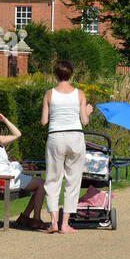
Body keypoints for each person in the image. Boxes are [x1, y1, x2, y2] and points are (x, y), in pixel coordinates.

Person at [40, 59, 91, 234]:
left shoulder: (49, 94)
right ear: (71, 74)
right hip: (75, 136)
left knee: (53, 179)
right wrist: (87, 112)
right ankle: (65, 224)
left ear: (55, 74)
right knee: (73, 181)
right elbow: (84, 121)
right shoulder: (79, 94)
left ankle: (53, 222)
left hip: (55, 136)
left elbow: (44, 121)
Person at [0, 112, 47, 229]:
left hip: (7, 175)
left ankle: (29, 217)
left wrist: (4, 119)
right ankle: (35, 220)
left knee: (42, 183)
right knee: (40, 184)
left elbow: (17, 133)